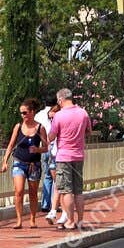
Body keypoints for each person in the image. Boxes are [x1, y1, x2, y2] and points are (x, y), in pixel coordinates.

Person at [46, 87, 93, 231]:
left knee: (66, 190)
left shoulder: (59, 116)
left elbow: (51, 137)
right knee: (78, 191)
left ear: (61, 99)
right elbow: (89, 131)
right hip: (78, 155)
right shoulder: (83, 113)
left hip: (64, 157)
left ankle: (70, 220)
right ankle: (80, 220)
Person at [2, 98, 46, 229]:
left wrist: (37, 149)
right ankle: (19, 220)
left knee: (33, 193)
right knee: (19, 191)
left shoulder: (40, 127)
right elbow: (10, 145)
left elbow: (46, 147)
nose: (23, 115)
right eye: (21, 113)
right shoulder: (18, 126)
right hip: (19, 162)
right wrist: (5, 161)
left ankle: (32, 219)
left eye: (25, 112)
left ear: (32, 112)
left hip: (34, 164)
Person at [33, 99, 58, 219]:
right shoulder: (58, 112)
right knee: (56, 178)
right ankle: (55, 204)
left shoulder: (38, 115)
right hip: (54, 147)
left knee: (47, 176)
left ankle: (45, 204)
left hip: (43, 148)